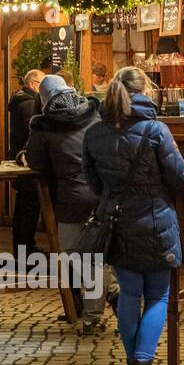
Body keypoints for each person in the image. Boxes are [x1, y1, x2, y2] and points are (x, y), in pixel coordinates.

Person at [82, 66, 184, 365]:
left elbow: (94, 184)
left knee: (130, 293)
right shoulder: (156, 130)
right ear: (144, 91)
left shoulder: (94, 133)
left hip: (116, 223)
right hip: (156, 221)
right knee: (158, 293)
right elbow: (179, 180)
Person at [26, 73, 107, 334]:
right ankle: (93, 315)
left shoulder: (44, 126)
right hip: (101, 194)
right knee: (97, 257)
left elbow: (36, 163)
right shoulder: (92, 115)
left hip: (71, 199)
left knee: (70, 254)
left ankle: (108, 294)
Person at [9, 68, 44, 255]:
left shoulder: (18, 100)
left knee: (23, 206)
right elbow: (32, 131)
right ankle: (25, 250)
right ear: (32, 84)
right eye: (41, 84)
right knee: (28, 208)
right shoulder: (29, 104)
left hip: (19, 159)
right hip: (26, 162)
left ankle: (22, 248)